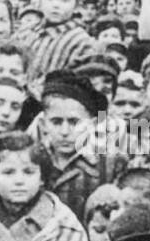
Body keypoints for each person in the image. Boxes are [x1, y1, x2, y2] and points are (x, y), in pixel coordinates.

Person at [39, 69, 125, 221]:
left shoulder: (111, 163)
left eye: (74, 122)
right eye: (56, 122)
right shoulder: (34, 159)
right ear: (43, 125)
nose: (65, 132)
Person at [17, 0, 99, 92]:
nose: (56, 5)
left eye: (64, 0)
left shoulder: (81, 41)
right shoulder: (25, 31)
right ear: (40, 1)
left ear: (77, 7)